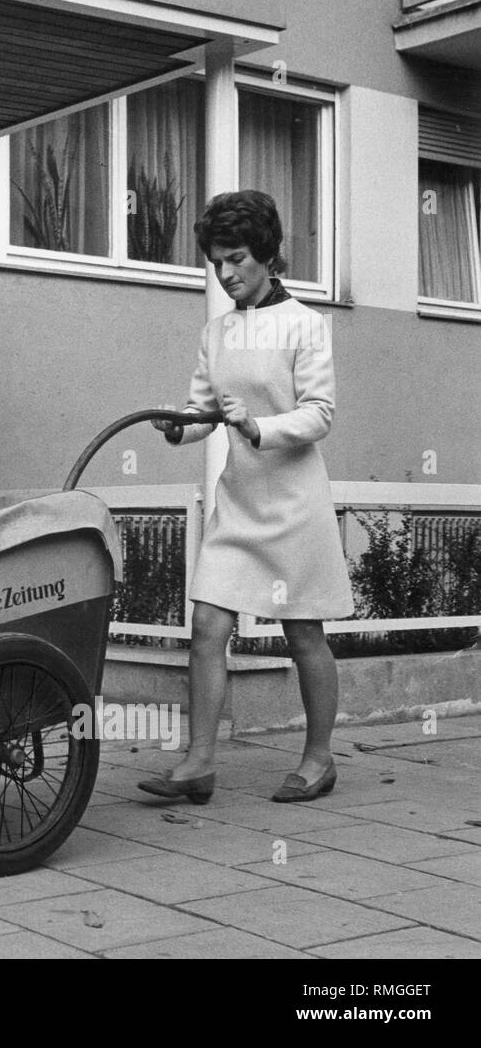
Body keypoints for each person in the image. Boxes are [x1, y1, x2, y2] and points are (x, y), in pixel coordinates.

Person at [138, 190, 354, 805]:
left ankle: (318, 759)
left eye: (235, 258)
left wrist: (261, 426)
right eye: (216, 262)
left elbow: (320, 414)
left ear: (266, 255)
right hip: (239, 501)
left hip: (294, 503)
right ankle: (199, 763)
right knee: (207, 624)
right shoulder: (217, 333)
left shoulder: (307, 326)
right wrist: (182, 425)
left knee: (303, 632)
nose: (226, 273)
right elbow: (203, 410)